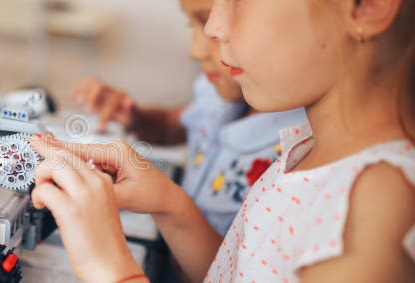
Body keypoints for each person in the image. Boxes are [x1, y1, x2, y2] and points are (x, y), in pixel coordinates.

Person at [31, 0, 415, 282]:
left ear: (367, 6)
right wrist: (169, 203)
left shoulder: (374, 208)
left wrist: (109, 269)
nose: (213, 29)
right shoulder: (309, 149)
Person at [69, 0, 306, 236]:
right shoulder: (214, 91)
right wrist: (135, 118)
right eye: (191, 26)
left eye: (208, 26)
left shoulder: (296, 153)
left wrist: (165, 203)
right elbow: (171, 125)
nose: (195, 51)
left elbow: (232, 271)